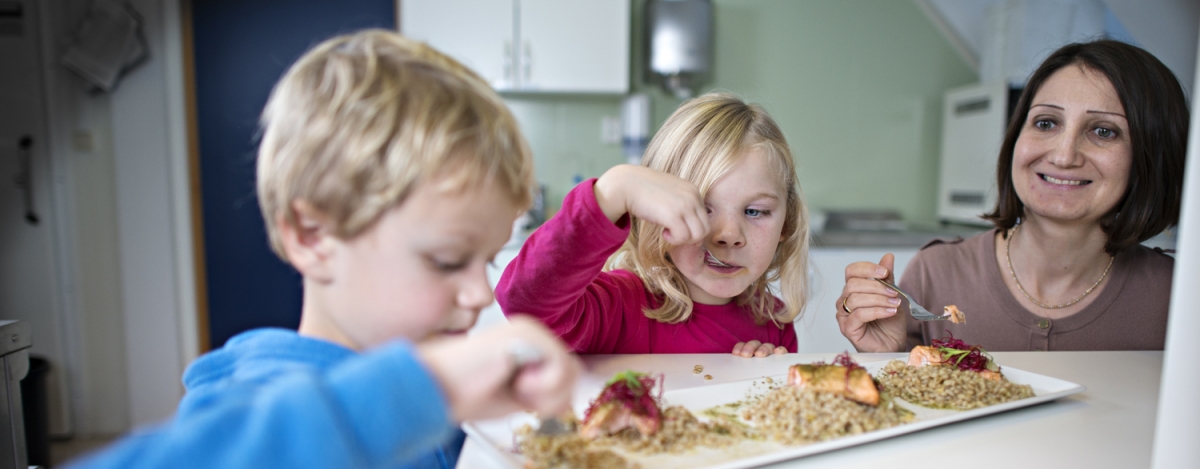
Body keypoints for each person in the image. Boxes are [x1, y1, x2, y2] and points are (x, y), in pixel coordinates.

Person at [66, 30, 580, 469]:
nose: (480, 294)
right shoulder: (257, 398)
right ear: (311, 236)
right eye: (446, 261)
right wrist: (432, 388)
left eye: (486, 260)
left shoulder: (410, 367)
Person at [836, 40, 1187, 353]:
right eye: (1046, 123)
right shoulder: (936, 274)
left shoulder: (1180, 298)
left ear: (1150, 156)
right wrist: (885, 357)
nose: (1064, 155)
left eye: (1103, 131)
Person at [496, 92, 811, 357]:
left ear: (787, 223)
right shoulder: (619, 306)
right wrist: (615, 190)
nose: (728, 235)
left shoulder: (774, 324)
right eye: (701, 207)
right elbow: (524, 304)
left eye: (755, 212)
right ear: (654, 213)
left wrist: (766, 386)